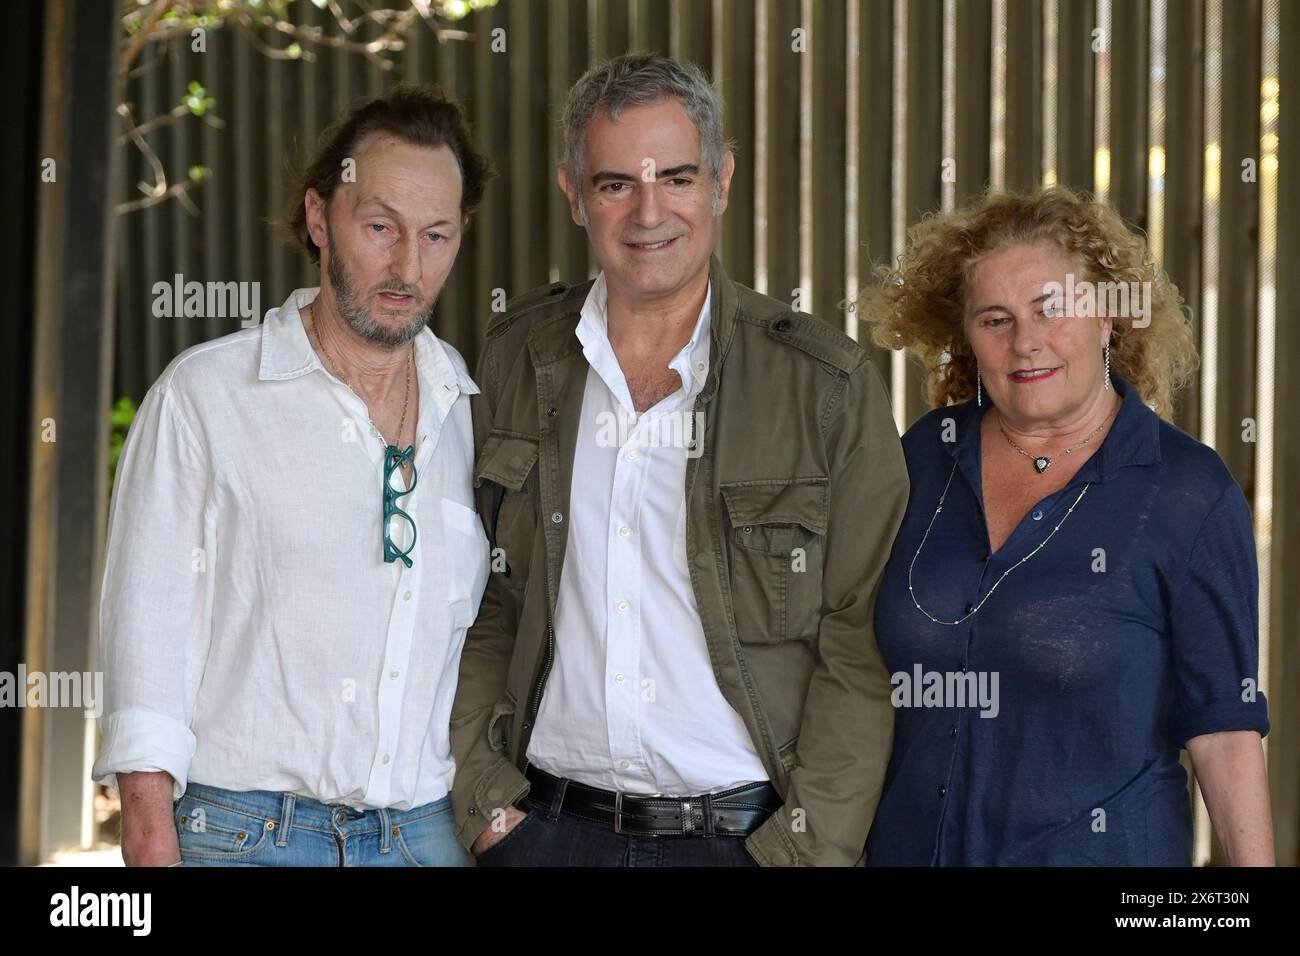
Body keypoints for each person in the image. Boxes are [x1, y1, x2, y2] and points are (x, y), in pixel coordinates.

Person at [450, 54, 908, 867]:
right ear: (573, 193)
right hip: (545, 835)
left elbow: (859, 641)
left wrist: (804, 853)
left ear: (723, 181)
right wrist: (485, 802)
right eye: (616, 183)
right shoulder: (513, 362)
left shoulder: (826, 387)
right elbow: (481, 603)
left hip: (744, 844)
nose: (649, 212)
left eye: (679, 179)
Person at [92, 85, 493, 867]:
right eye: (380, 226)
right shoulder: (206, 396)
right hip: (244, 838)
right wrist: (148, 842)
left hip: (423, 835)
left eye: (437, 235)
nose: (408, 265)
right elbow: (147, 640)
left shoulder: (467, 408)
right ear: (319, 218)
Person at [860, 185, 1274, 865]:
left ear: (1108, 319)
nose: (1026, 343)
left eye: (1051, 310)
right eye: (995, 319)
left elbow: (1225, 730)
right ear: (964, 335)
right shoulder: (924, 458)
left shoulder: (1187, 494)